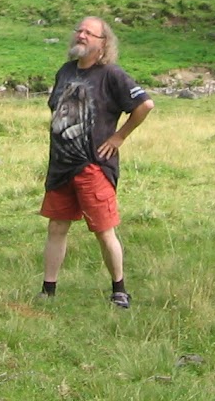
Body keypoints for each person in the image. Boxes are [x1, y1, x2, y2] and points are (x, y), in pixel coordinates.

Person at [38, 15, 154, 308]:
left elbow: (144, 105)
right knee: (56, 228)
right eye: (79, 30)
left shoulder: (111, 75)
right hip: (61, 166)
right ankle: (48, 290)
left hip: (93, 166)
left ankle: (119, 289)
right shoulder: (65, 71)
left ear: (103, 44)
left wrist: (119, 138)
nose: (81, 35)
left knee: (103, 231)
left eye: (89, 33)